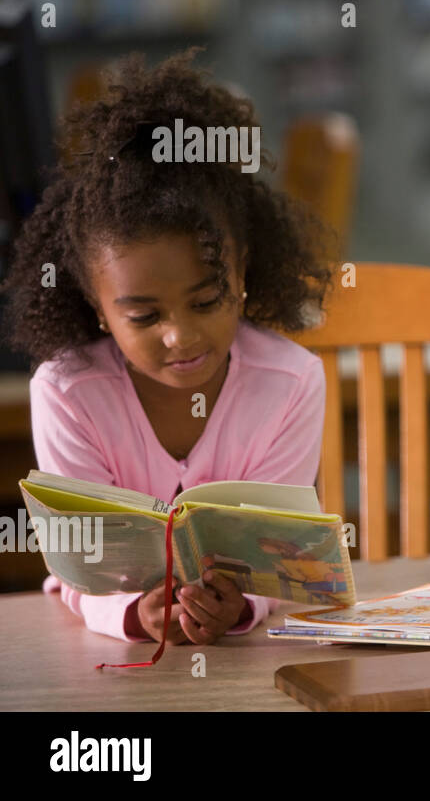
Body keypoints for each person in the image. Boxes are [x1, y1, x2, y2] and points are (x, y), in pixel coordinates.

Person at [3, 48, 334, 645]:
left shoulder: (292, 383)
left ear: (243, 275)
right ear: (98, 308)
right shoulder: (66, 393)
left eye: (206, 302)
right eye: (144, 315)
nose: (179, 336)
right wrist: (135, 612)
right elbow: (82, 573)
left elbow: (276, 565)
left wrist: (237, 608)